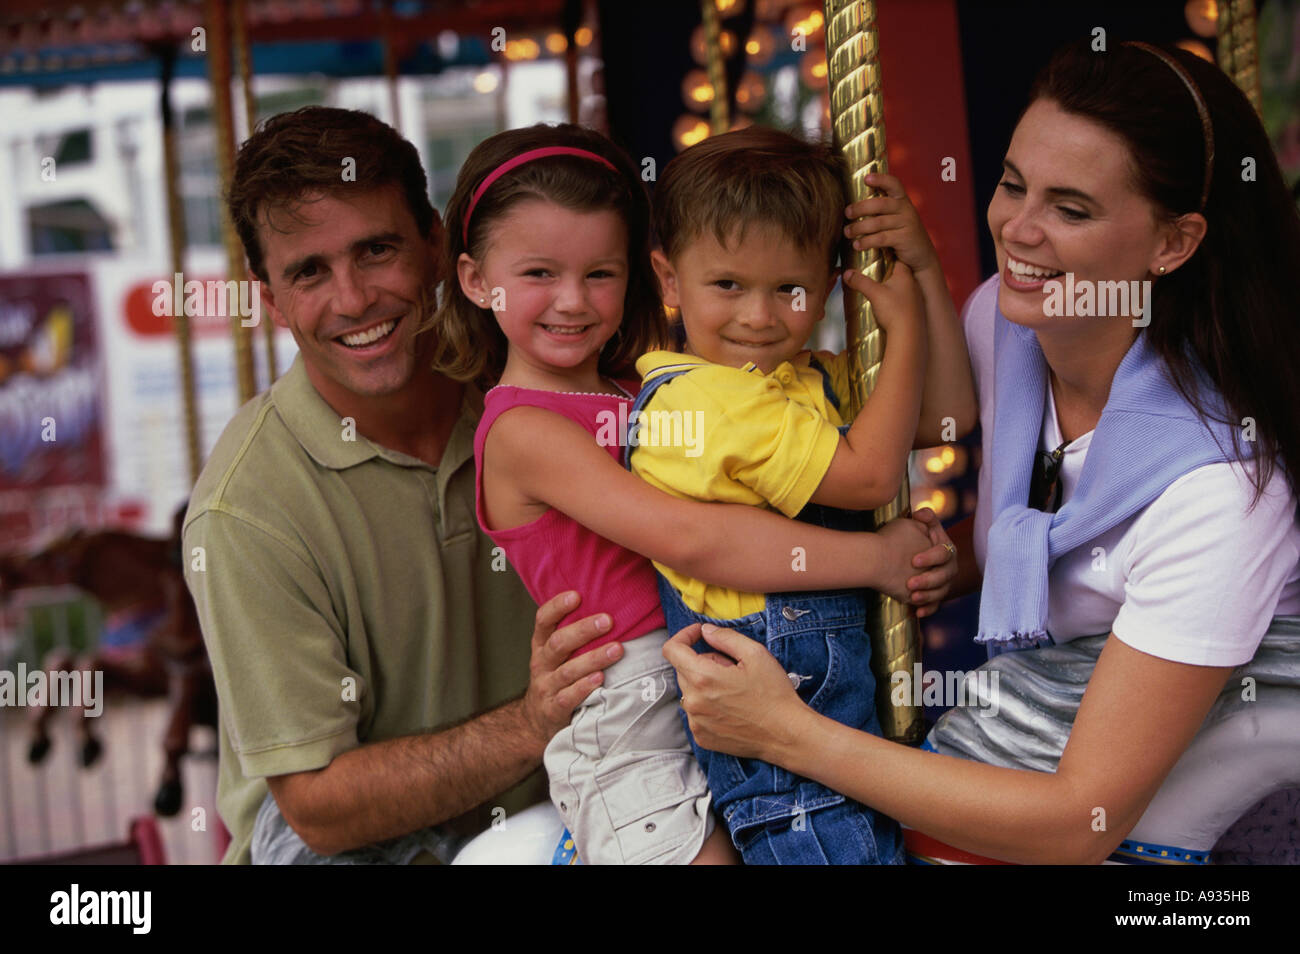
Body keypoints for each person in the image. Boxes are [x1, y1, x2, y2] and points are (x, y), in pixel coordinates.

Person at [663, 39, 1300, 864]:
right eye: (1011, 185)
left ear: (1172, 244)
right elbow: (1049, 532)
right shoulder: (1004, 325)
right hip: (987, 759)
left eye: (1072, 209)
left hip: (1129, 845)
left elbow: (1081, 820)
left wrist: (790, 734)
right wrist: (929, 563)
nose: (1019, 228)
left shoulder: (1220, 490)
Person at [428, 123, 954, 864]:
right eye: (539, 274)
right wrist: (874, 558)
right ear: (478, 281)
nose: (572, 301)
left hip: (717, 665)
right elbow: (693, 538)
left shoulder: (642, 391)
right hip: (634, 706)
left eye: (600, 274)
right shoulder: (523, 431)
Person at [183, 107, 625, 865]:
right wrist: (530, 722)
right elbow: (318, 806)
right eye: (309, 272)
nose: (354, 300)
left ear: (433, 245)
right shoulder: (246, 510)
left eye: (376, 250)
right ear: (270, 299)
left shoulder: (537, 388)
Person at [626, 126, 969, 864]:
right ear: (667, 278)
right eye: (728, 286)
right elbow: (871, 477)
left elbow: (948, 414)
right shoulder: (701, 405)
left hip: (838, 746)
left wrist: (921, 273)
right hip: (787, 780)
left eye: (789, 288)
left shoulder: (804, 379)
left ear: (828, 282)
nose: (758, 316)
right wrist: (901, 334)